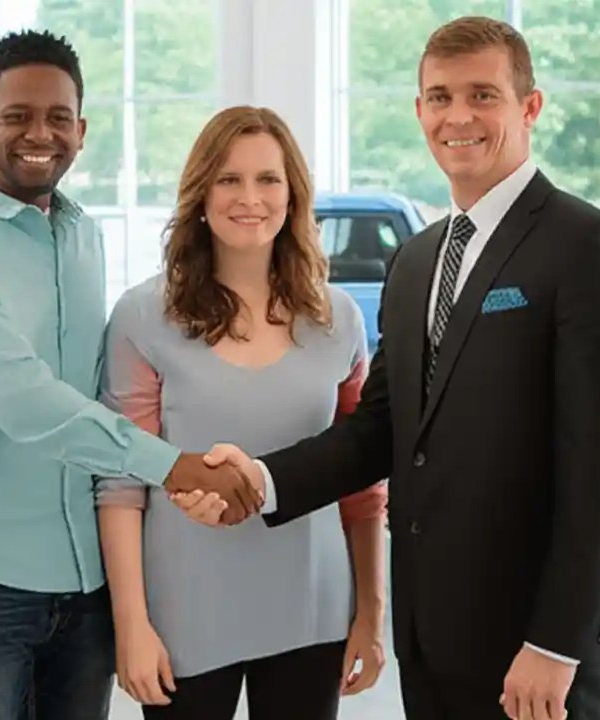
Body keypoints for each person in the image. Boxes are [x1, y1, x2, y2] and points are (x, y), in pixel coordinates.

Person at [194, 16, 600, 720]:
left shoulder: (589, 247)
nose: (457, 116)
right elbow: (381, 430)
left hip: (532, 641)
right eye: (439, 97)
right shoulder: (415, 262)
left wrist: (557, 643)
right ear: (419, 111)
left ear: (530, 107)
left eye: (482, 95)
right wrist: (263, 477)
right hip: (432, 633)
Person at [0, 30, 259, 720]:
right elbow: (25, 402)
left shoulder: (81, 235)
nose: (40, 134)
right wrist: (176, 468)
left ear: (81, 131)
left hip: (83, 577)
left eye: (58, 117)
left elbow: (102, 384)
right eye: (17, 115)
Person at [95, 106, 389, 720]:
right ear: (201, 193)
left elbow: (361, 482)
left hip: (312, 605)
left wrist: (370, 612)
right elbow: (121, 485)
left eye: (268, 180)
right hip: (186, 609)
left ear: (293, 195)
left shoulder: (339, 322)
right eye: (229, 179)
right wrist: (132, 625)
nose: (249, 198)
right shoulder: (143, 317)